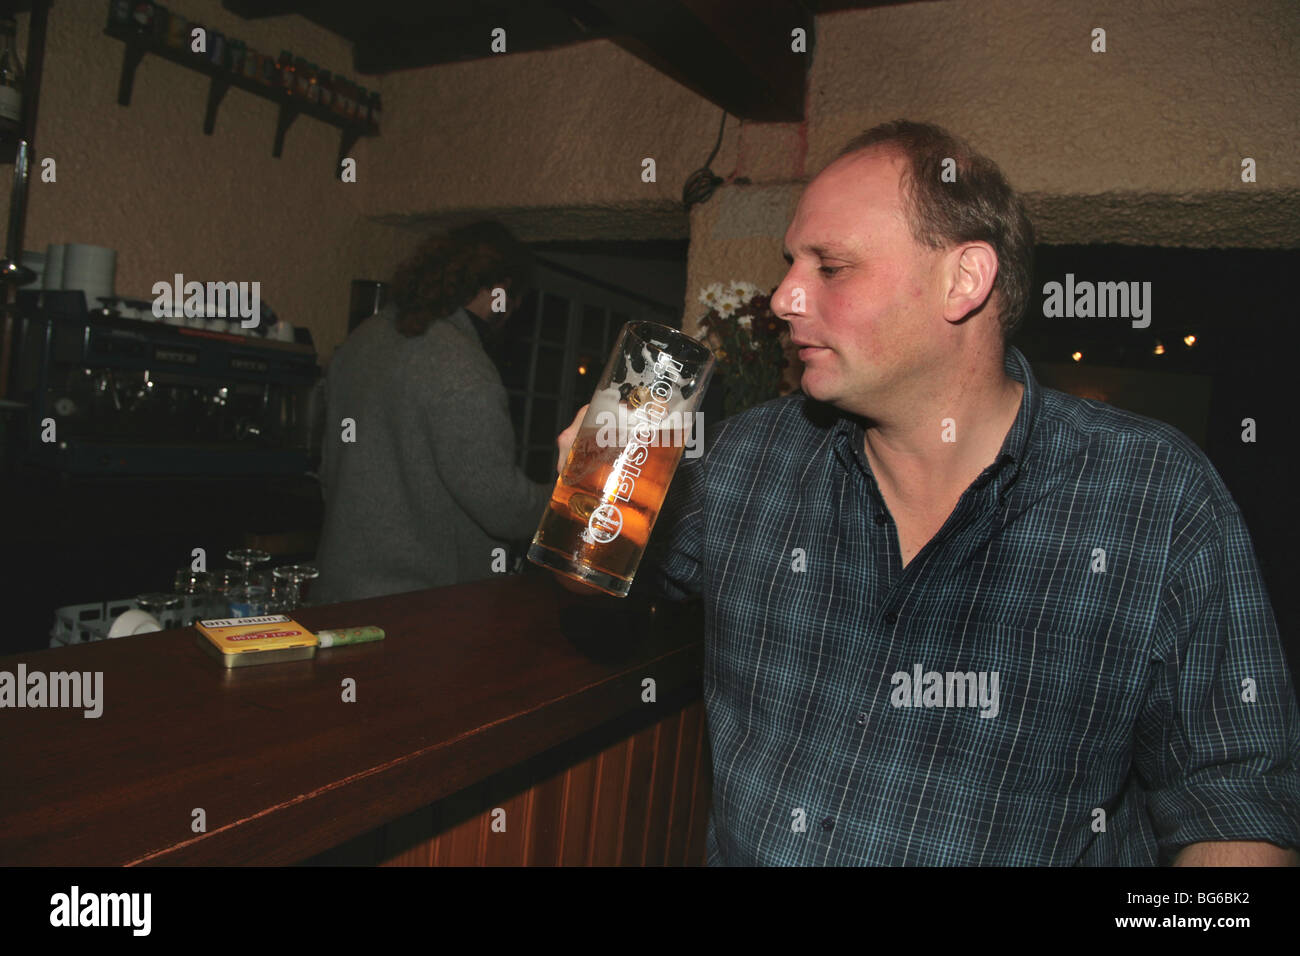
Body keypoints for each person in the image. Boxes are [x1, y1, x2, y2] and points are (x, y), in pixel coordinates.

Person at [552, 121, 1300, 865]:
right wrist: (590, 509)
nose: (782, 298)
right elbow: (606, 605)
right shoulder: (750, 458)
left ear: (964, 282)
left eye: (831, 267)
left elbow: (1234, 800)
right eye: (789, 264)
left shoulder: (1155, 497)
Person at [314, 222, 553, 604]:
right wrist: (567, 499)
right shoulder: (461, 365)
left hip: (338, 594)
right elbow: (501, 506)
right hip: (420, 613)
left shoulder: (361, 340)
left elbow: (329, 471)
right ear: (501, 291)